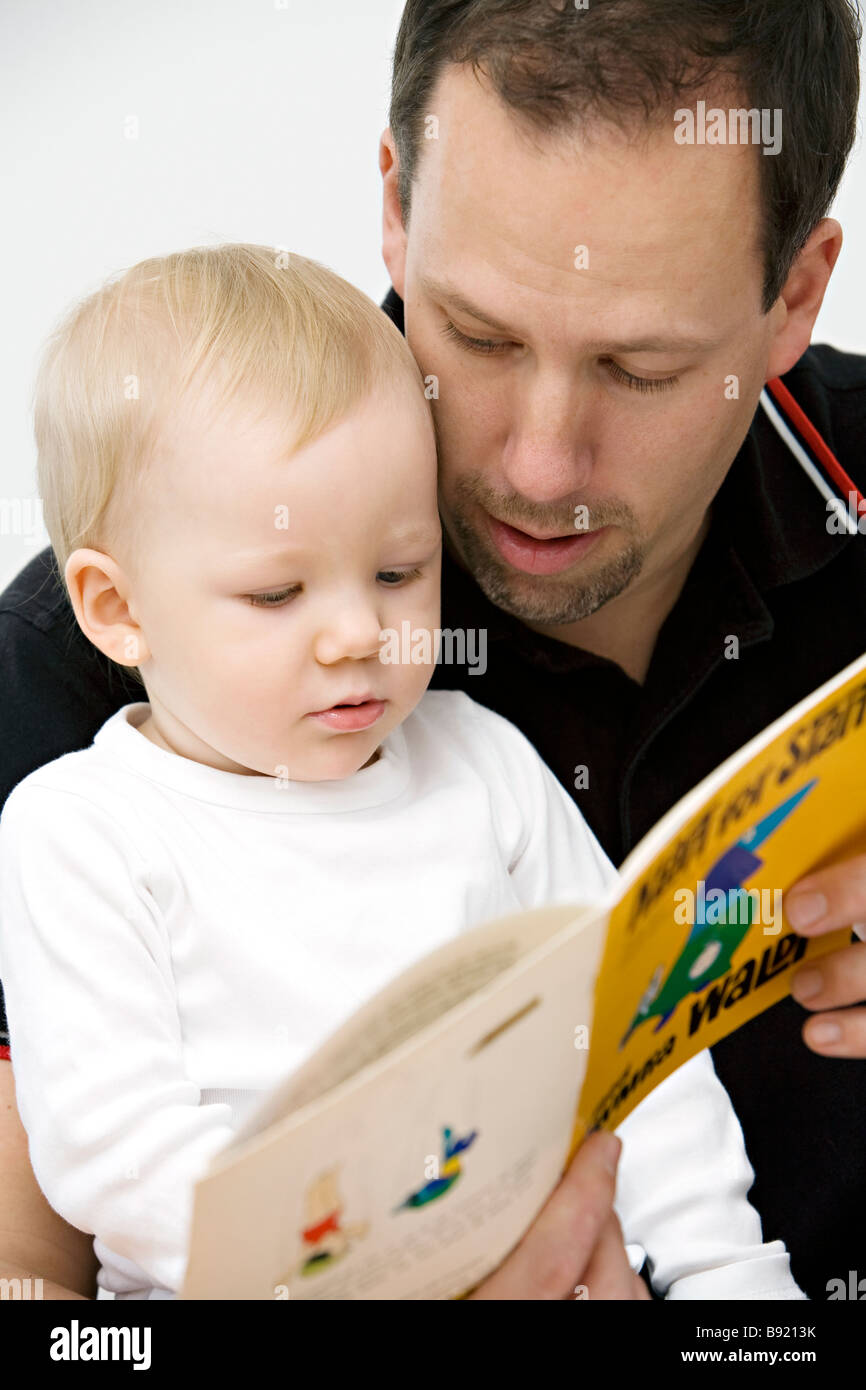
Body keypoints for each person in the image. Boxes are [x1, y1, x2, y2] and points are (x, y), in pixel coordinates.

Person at [0, 0, 863, 1301]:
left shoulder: (474, 766)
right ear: (395, 208)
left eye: (637, 367)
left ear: (793, 291)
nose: (536, 465)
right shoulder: (93, 665)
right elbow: (41, 1273)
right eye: (477, 335)